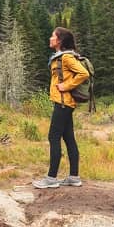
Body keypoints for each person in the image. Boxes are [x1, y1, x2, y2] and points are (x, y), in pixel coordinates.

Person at [33, 27, 89, 189]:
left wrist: (66, 85)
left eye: (53, 36)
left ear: (59, 41)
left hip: (63, 103)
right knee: (68, 138)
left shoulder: (66, 58)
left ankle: (51, 179)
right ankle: (74, 177)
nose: (50, 38)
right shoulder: (60, 57)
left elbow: (83, 73)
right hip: (64, 102)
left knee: (53, 137)